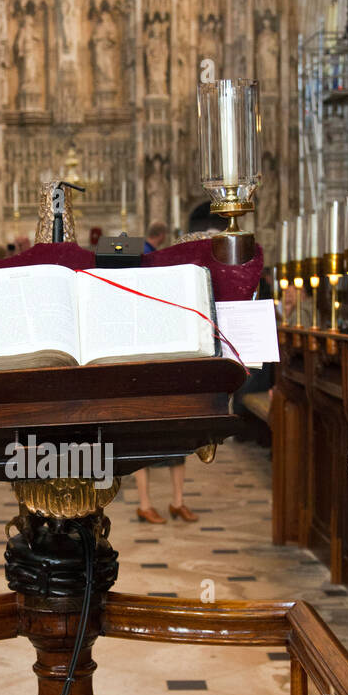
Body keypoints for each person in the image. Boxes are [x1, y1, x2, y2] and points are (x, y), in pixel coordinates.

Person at [135, 216, 197, 523]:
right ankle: (145, 504)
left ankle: (177, 501)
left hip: (168, 373)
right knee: (140, 441)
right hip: (142, 374)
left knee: (177, 441)